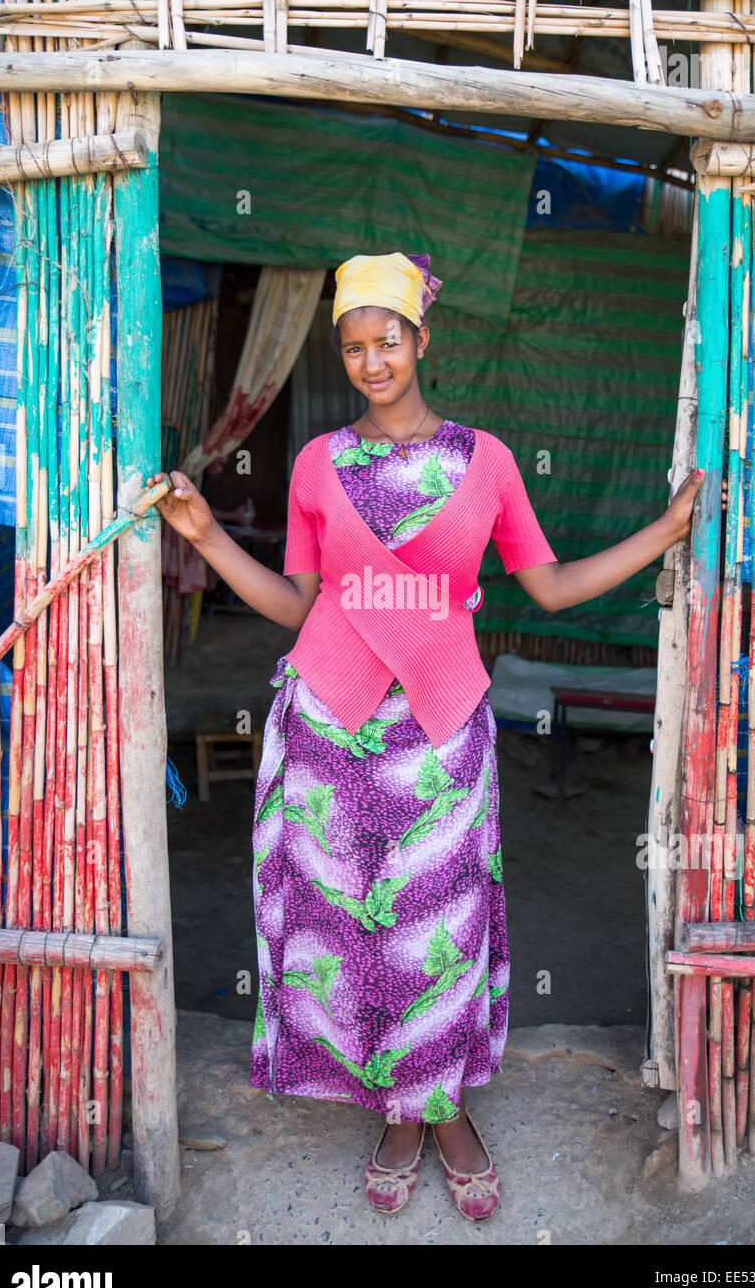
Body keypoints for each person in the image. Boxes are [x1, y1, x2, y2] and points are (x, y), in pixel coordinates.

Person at [149, 249, 704, 1224]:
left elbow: (551, 585)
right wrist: (202, 535)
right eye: (353, 345)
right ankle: (401, 1115)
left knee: (438, 933)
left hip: (440, 738)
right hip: (325, 733)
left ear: (421, 339)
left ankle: (443, 1111)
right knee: (351, 936)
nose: (371, 360)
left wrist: (663, 533)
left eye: (387, 339)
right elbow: (295, 603)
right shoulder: (319, 465)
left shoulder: (485, 462)